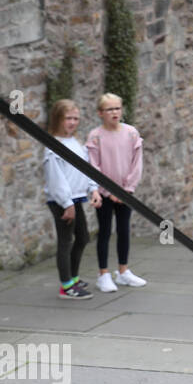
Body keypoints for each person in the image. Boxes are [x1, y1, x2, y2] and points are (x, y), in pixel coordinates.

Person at [86, 92, 146, 292]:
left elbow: (136, 164)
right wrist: (107, 190)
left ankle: (123, 271)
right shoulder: (95, 136)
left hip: (125, 193)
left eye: (117, 108)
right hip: (105, 194)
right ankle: (103, 274)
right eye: (109, 109)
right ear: (100, 113)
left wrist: (126, 189)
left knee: (124, 230)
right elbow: (93, 166)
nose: (114, 112)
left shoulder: (131, 133)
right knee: (104, 231)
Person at [44, 99, 102, 300]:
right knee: (66, 241)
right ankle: (66, 286)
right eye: (68, 118)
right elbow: (55, 179)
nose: (72, 122)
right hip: (63, 202)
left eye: (76, 118)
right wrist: (66, 204)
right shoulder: (53, 146)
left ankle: (74, 278)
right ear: (58, 119)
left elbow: (85, 168)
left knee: (83, 237)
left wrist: (93, 190)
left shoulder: (75, 143)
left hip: (77, 198)